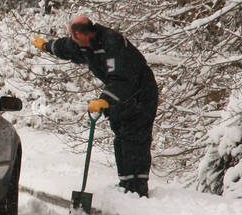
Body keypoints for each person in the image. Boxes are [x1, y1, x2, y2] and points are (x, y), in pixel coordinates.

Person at [33, 15, 160, 197]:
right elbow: (66, 48)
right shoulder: (84, 44)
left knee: (135, 138)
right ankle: (125, 185)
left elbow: (122, 77)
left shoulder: (112, 42)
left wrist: (105, 100)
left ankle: (137, 189)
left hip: (141, 94)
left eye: (72, 36)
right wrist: (46, 46)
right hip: (119, 97)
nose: (71, 40)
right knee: (121, 137)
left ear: (78, 33)